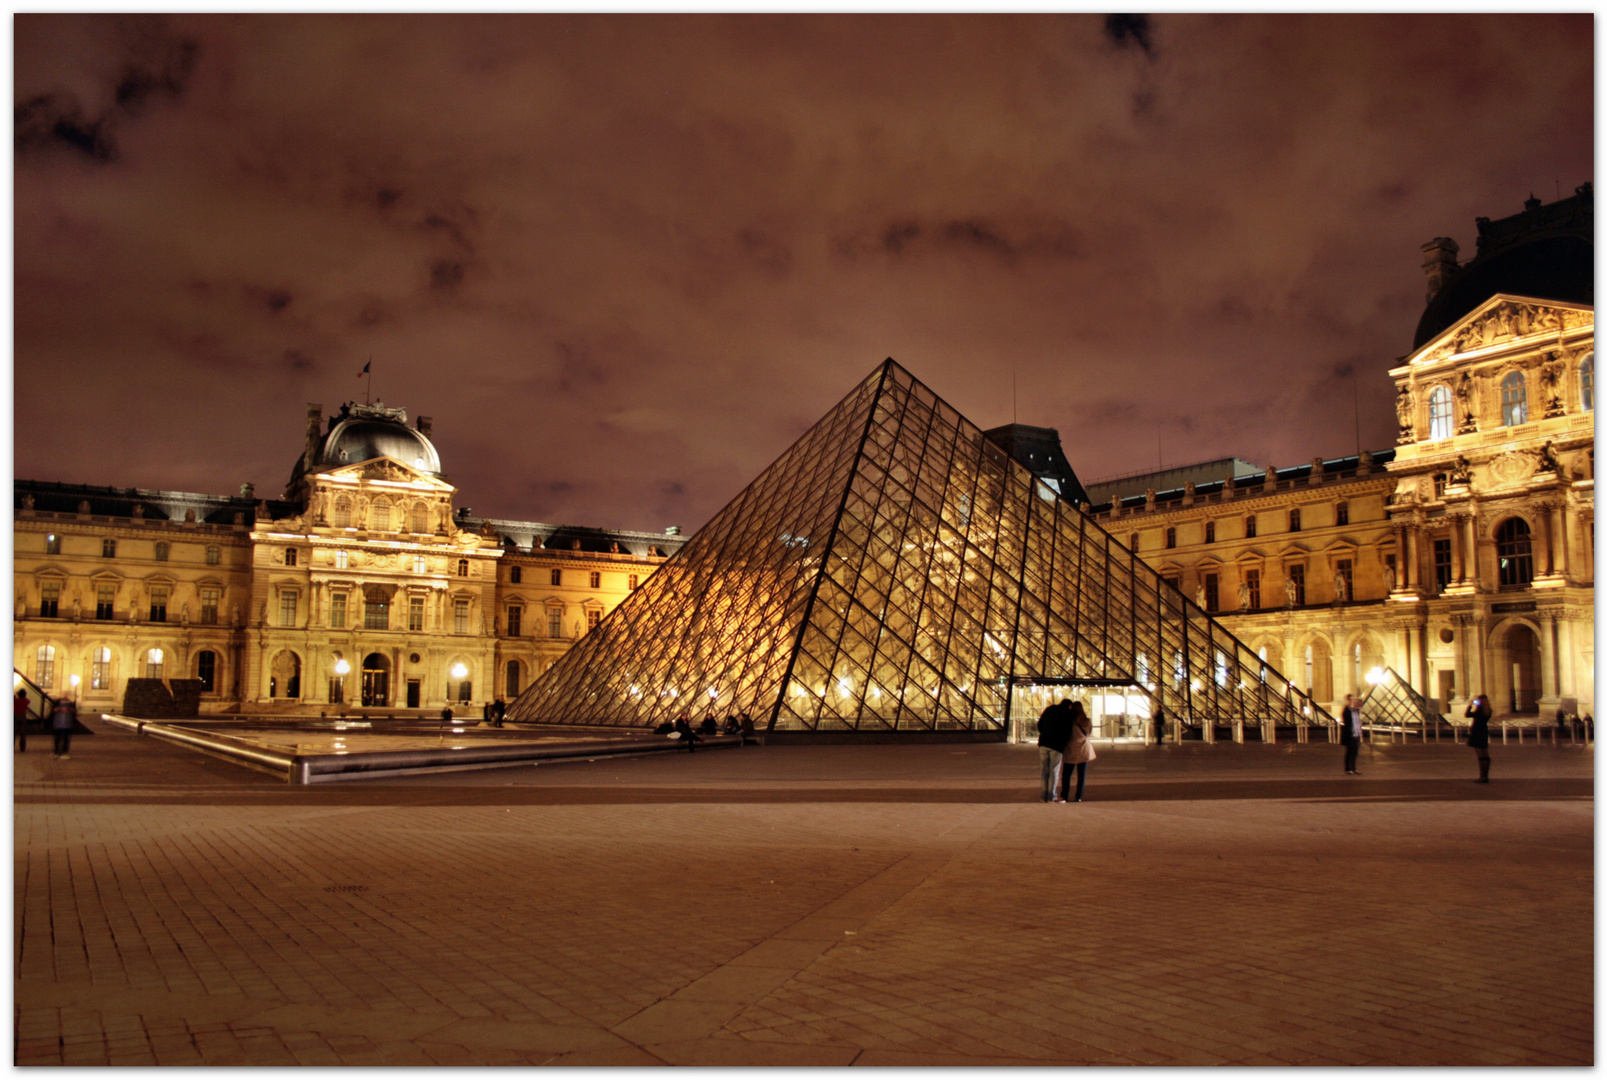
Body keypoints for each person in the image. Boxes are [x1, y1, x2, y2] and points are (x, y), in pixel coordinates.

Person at [1036, 699, 1072, 802]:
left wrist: (1045, 734)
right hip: (1057, 746)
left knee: (1044, 771)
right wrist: (1063, 743)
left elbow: (1040, 724)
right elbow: (1068, 731)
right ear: (1069, 706)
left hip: (1044, 743)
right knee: (1054, 771)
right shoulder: (1067, 713)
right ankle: (1051, 796)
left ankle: (1043, 796)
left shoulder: (1050, 709)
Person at [1060, 702, 1096, 802]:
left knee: (1066, 775)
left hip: (1071, 749)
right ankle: (1079, 796)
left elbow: (1066, 734)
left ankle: (1064, 795)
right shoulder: (1087, 721)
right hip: (1084, 748)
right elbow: (1089, 733)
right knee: (1081, 775)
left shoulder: (1070, 721)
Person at [1465, 693, 1493, 783]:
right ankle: (1485, 775)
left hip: (1477, 732)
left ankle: (1482, 776)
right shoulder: (1488, 710)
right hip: (1484, 731)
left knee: (1480, 755)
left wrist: (1470, 705)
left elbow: (1467, 715)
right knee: (1485, 754)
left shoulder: (1479, 710)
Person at [1340, 693, 1363, 774]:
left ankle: (1354, 768)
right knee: (1349, 752)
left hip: (1356, 733)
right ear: (1348, 700)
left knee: (1355, 752)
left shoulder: (1356, 711)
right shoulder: (1346, 710)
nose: (1352, 701)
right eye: (1351, 700)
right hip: (1350, 734)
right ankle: (1348, 769)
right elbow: (1347, 723)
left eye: (1353, 699)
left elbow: (1357, 722)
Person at [15, 688, 29, 753]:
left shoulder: (16, 700)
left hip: (16, 716)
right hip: (23, 716)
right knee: (23, 733)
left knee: (13, 732)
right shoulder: (26, 701)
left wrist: (15, 694)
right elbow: (28, 701)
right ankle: (22, 748)